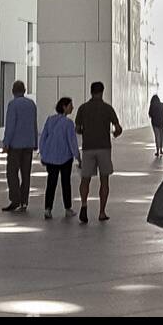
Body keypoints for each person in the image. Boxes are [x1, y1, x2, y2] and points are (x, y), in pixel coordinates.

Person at [75, 81, 122, 224]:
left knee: (85, 179)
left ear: (91, 92)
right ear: (102, 92)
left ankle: (84, 204)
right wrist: (114, 134)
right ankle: (101, 212)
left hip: (88, 147)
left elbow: (77, 128)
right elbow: (118, 128)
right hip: (104, 148)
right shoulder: (108, 109)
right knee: (104, 180)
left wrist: (85, 132)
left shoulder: (83, 108)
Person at [39, 98, 80, 219]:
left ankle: (48, 209)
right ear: (64, 106)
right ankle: (68, 208)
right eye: (70, 105)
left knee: (51, 183)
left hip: (51, 157)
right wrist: (78, 156)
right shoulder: (68, 124)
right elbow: (72, 142)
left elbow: (43, 138)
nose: (72, 107)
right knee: (65, 183)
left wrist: (43, 153)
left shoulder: (50, 120)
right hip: (65, 158)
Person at [2, 80, 38, 212]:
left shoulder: (13, 105)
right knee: (26, 173)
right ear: (24, 90)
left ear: (13, 90)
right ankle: (24, 201)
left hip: (15, 145)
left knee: (12, 172)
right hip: (28, 143)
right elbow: (34, 124)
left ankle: (15, 199)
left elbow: (10, 125)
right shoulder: (31, 104)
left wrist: (6, 143)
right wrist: (35, 142)